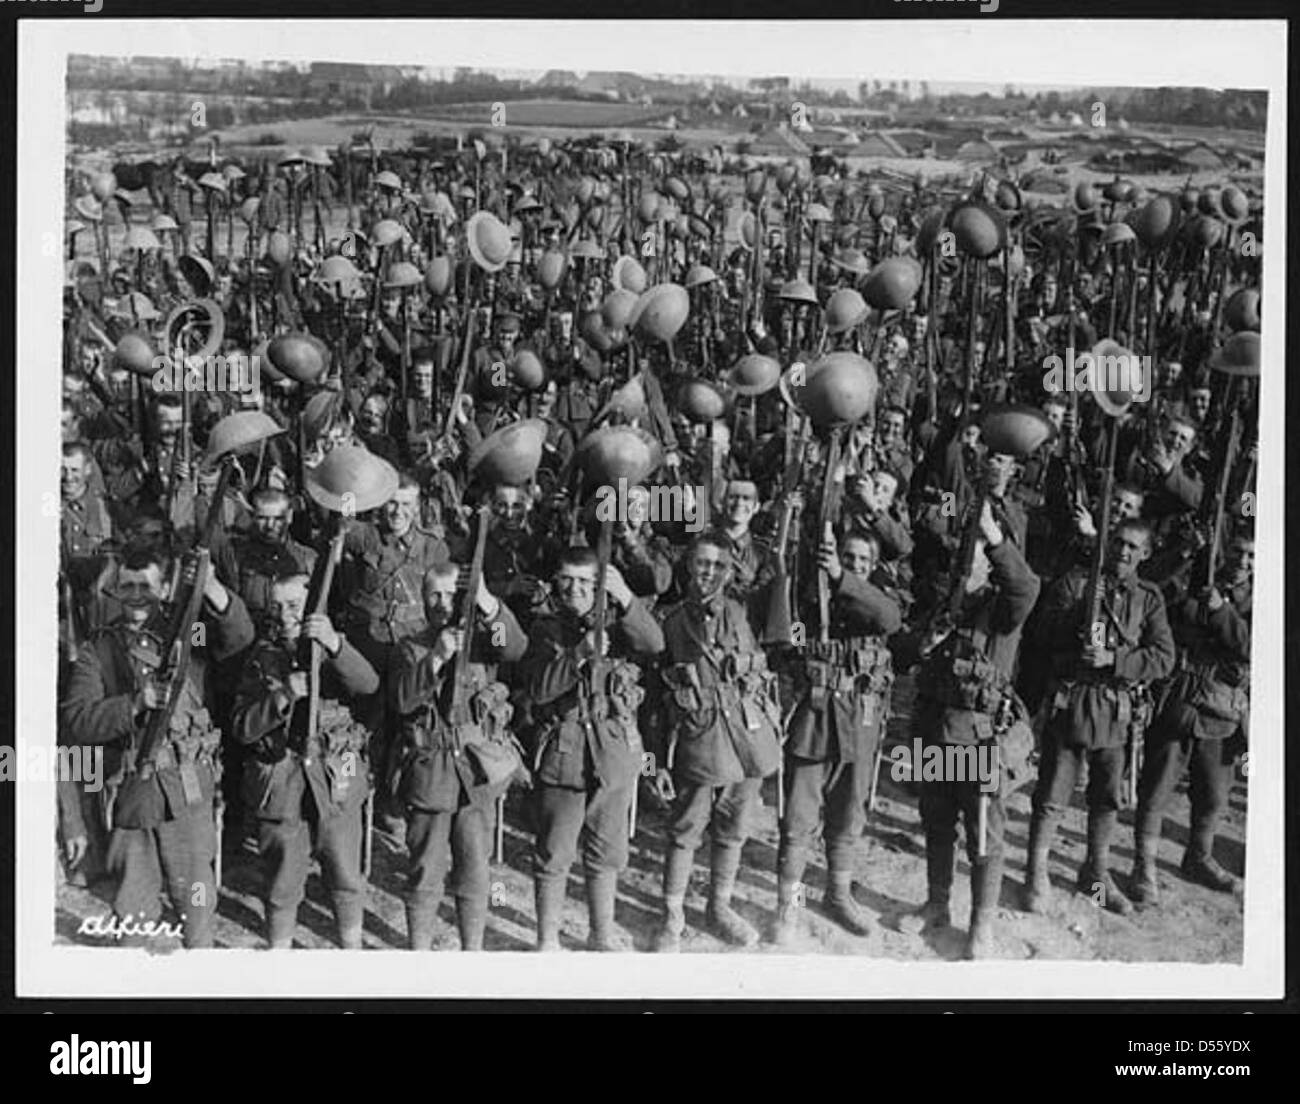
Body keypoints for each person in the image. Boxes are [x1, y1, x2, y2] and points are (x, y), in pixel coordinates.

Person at [61, 544, 253, 948]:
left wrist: (212, 587)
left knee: (197, 896)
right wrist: (135, 703)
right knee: (133, 904)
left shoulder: (188, 634)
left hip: (188, 789)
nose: (134, 595)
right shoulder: (99, 649)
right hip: (132, 793)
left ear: (165, 588)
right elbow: (78, 720)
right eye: (126, 586)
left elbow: (236, 637)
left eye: (144, 586)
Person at [894, 472, 1040, 959]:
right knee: (936, 822)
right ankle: (937, 905)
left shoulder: (1003, 610)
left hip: (979, 739)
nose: (967, 560)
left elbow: (1026, 585)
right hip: (935, 732)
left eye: (977, 553)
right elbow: (904, 648)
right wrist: (925, 640)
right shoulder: (943, 603)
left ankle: (981, 925)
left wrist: (993, 536)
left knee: (983, 833)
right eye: (965, 550)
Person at [1023, 519, 1175, 917]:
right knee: (1052, 794)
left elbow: (1163, 657)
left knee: (1107, 798)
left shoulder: (1149, 598)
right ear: (1107, 544)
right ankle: (1035, 871)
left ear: (1145, 554)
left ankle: (1096, 873)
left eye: (1133, 547)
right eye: (1118, 543)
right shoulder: (1075, 583)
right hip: (1071, 701)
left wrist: (1116, 660)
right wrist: (1077, 620)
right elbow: (1040, 636)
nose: (1123, 552)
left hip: (1116, 709)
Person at [517, 547, 664, 951]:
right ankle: (548, 941)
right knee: (554, 852)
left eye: (586, 582)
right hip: (564, 755)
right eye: (567, 580)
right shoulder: (545, 629)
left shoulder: (619, 626)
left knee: (606, 850)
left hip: (612, 752)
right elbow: (540, 688)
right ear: (555, 583)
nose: (575, 589)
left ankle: (601, 934)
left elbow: (654, 644)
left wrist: (628, 599)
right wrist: (580, 651)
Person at [231, 571, 379, 949]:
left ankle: (353, 950)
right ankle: (280, 956)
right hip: (282, 782)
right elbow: (242, 727)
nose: (284, 615)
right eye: (277, 607)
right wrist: (282, 695)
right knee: (282, 878)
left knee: (345, 871)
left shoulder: (332, 647)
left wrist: (332, 643)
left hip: (337, 774)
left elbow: (368, 685)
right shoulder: (261, 657)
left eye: (294, 606)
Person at [650, 536, 783, 951]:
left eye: (717, 565)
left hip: (746, 736)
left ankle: (720, 907)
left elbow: (781, 593)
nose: (708, 572)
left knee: (734, 828)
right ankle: (672, 916)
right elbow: (655, 699)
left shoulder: (747, 612)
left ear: (730, 571)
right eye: (701, 563)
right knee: (686, 828)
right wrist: (657, 763)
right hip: (699, 736)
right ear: (689, 566)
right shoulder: (670, 622)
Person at [772, 530, 902, 945]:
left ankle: (838, 895)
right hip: (813, 719)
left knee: (848, 815)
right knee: (798, 818)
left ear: (873, 565)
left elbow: (890, 620)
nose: (855, 563)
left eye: (863, 559)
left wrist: (843, 577)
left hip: (860, 723)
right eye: (848, 556)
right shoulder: (809, 599)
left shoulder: (877, 600)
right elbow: (784, 642)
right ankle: (788, 907)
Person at [390, 562, 527, 950]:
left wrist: (485, 600)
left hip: (475, 771)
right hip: (430, 771)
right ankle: (420, 951)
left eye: (452, 594)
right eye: (434, 594)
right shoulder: (409, 645)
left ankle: (473, 951)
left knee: (475, 868)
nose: (443, 602)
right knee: (425, 870)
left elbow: (515, 646)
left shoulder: (485, 640)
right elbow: (402, 701)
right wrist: (435, 658)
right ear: (422, 596)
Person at [1131, 533, 1252, 902]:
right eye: (1237, 551)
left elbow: (1252, 646)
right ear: (1224, 548)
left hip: (1222, 710)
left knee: (1214, 795)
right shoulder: (1195, 578)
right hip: (1179, 701)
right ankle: (1144, 866)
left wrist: (1220, 612)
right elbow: (1152, 590)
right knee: (1156, 787)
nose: (1243, 562)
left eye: (1251, 556)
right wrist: (1184, 555)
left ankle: (1198, 857)